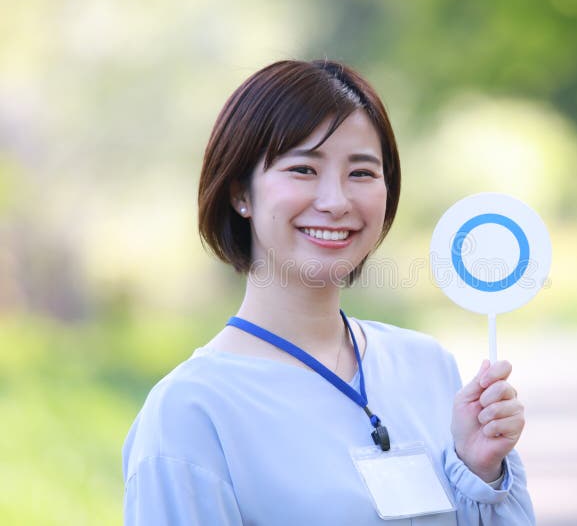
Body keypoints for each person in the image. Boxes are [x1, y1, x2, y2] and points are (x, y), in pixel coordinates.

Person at [122, 59, 535, 525]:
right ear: (241, 194)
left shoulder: (427, 367)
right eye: (303, 169)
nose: (336, 202)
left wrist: (480, 471)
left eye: (362, 173)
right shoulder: (190, 412)